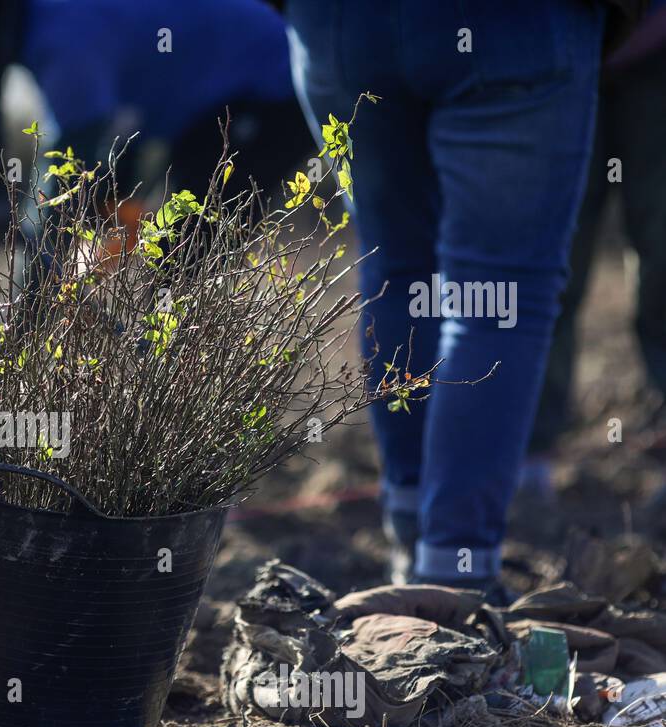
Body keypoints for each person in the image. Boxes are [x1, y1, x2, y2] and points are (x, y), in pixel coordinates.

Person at [283, 0, 608, 596]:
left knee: (400, 272)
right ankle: (454, 572)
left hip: (339, 27)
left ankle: (415, 542)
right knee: (497, 292)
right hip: (515, 29)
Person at [524, 2, 666, 499]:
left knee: (662, 260)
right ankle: (529, 449)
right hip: (560, 63)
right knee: (549, 260)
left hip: (655, 67)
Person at [22, 0, 312, 204]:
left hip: (275, 85)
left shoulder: (63, 35)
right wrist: (115, 204)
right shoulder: (62, 23)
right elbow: (118, 131)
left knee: (194, 231)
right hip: (207, 95)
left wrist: (34, 281)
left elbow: (70, 165)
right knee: (163, 228)